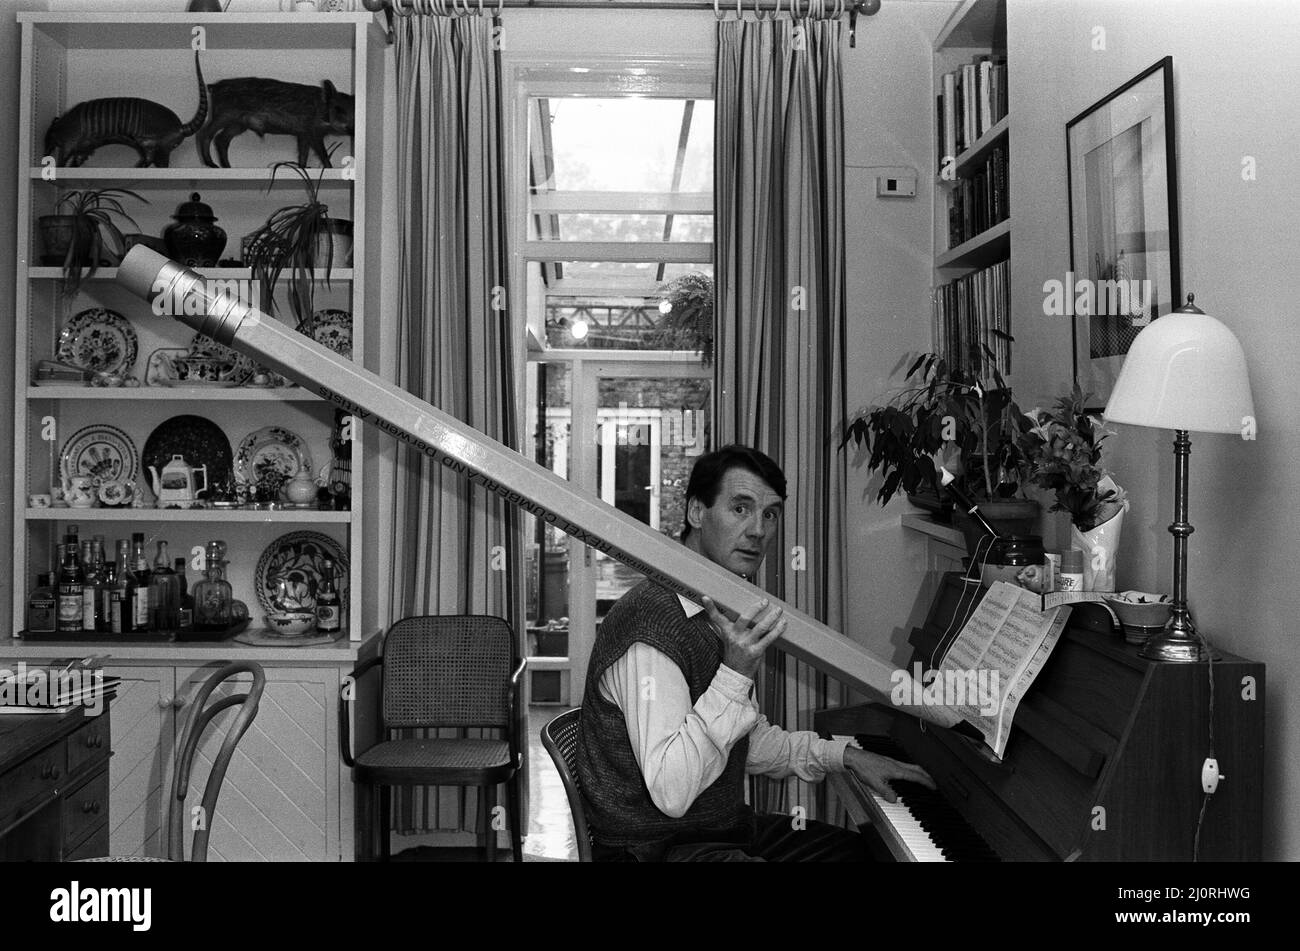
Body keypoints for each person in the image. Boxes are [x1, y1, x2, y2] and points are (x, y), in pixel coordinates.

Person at [575, 444, 934, 861]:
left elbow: (746, 742)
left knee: (865, 854)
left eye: (770, 514)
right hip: (654, 850)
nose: (758, 530)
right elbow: (671, 792)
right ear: (696, 512)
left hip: (717, 831)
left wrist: (845, 756)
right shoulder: (651, 624)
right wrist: (734, 672)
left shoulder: (713, 607)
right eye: (740, 508)